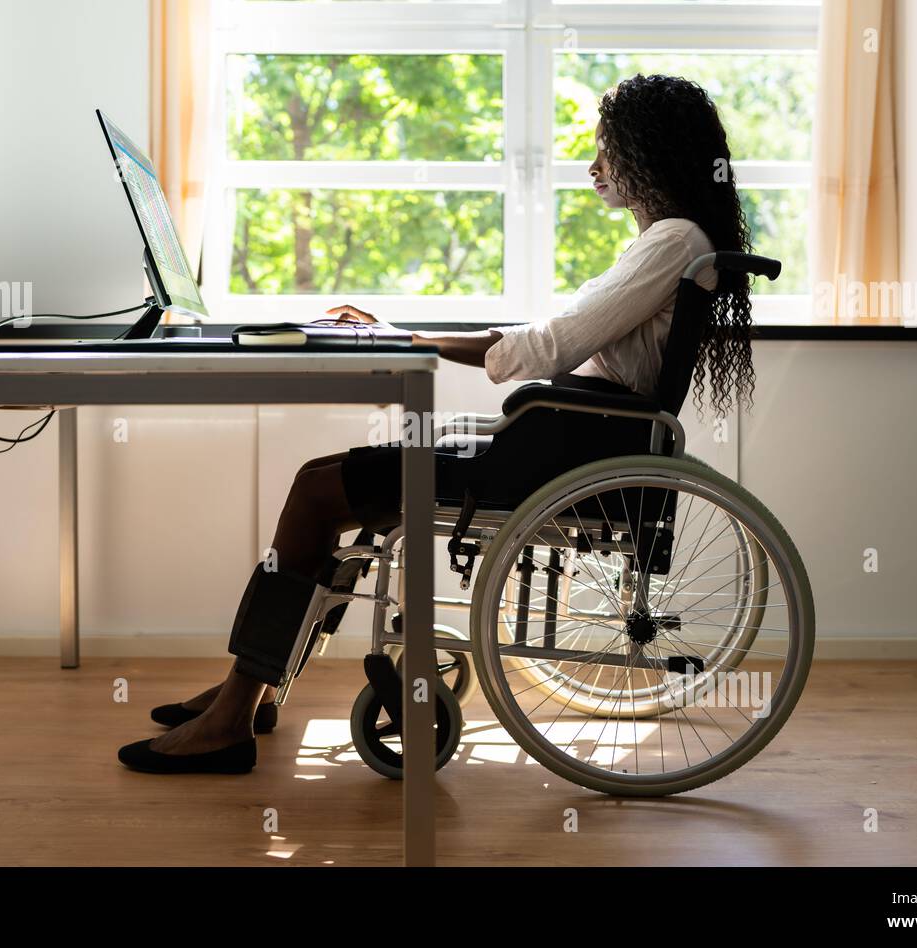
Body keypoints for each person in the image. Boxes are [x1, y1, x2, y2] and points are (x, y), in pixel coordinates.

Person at [117, 72, 757, 773]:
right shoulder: (671, 241)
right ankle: (253, 687)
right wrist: (405, 333)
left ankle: (237, 708)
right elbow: (551, 338)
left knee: (317, 493)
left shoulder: (672, 240)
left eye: (607, 148)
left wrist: (408, 339)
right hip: (562, 440)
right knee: (322, 484)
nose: (593, 166)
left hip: (561, 450)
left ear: (648, 152)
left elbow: (550, 347)